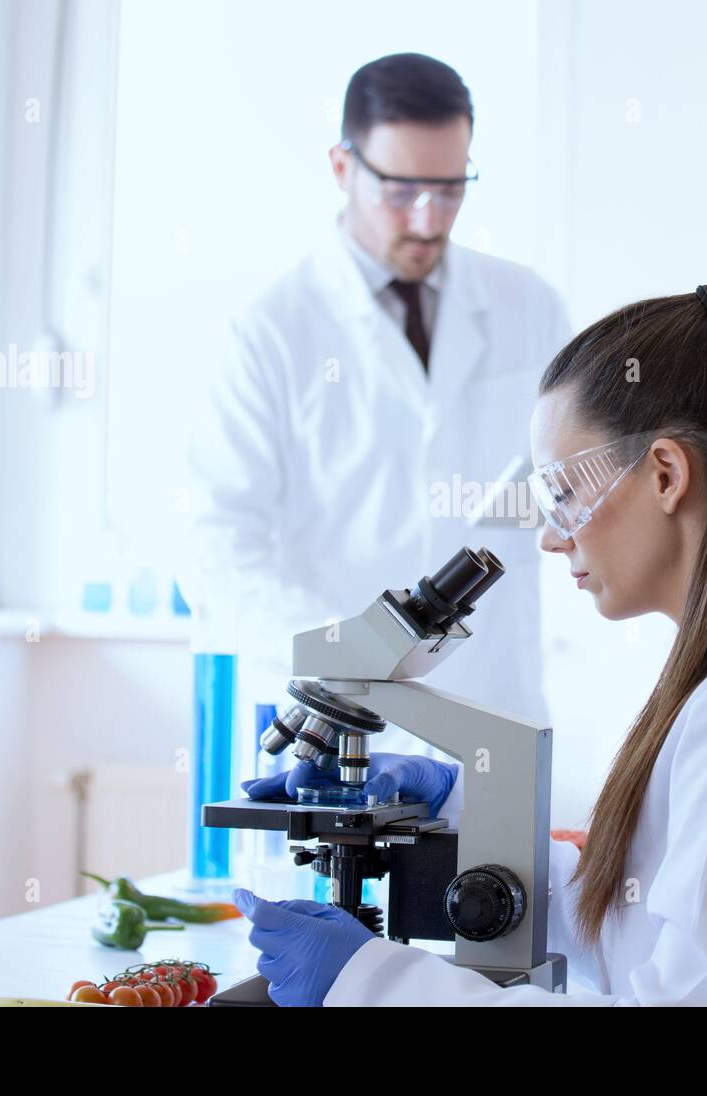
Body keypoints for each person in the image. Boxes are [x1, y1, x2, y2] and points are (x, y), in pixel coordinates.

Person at [233, 275, 707, 1006]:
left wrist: (372, 983)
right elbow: (645, 932)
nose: (551, 536)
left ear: (665, 474)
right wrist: (462, 810)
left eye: (561, 491)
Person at [183, 53, 570, 746]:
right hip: (342, 726)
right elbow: (220, 548)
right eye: (401, 189)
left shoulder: (530, 309)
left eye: (451, 189)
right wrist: (347, 652)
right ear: (342, 166)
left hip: (496, 712)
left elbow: (571, 480)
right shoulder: (272, 331)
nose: (428, 219)